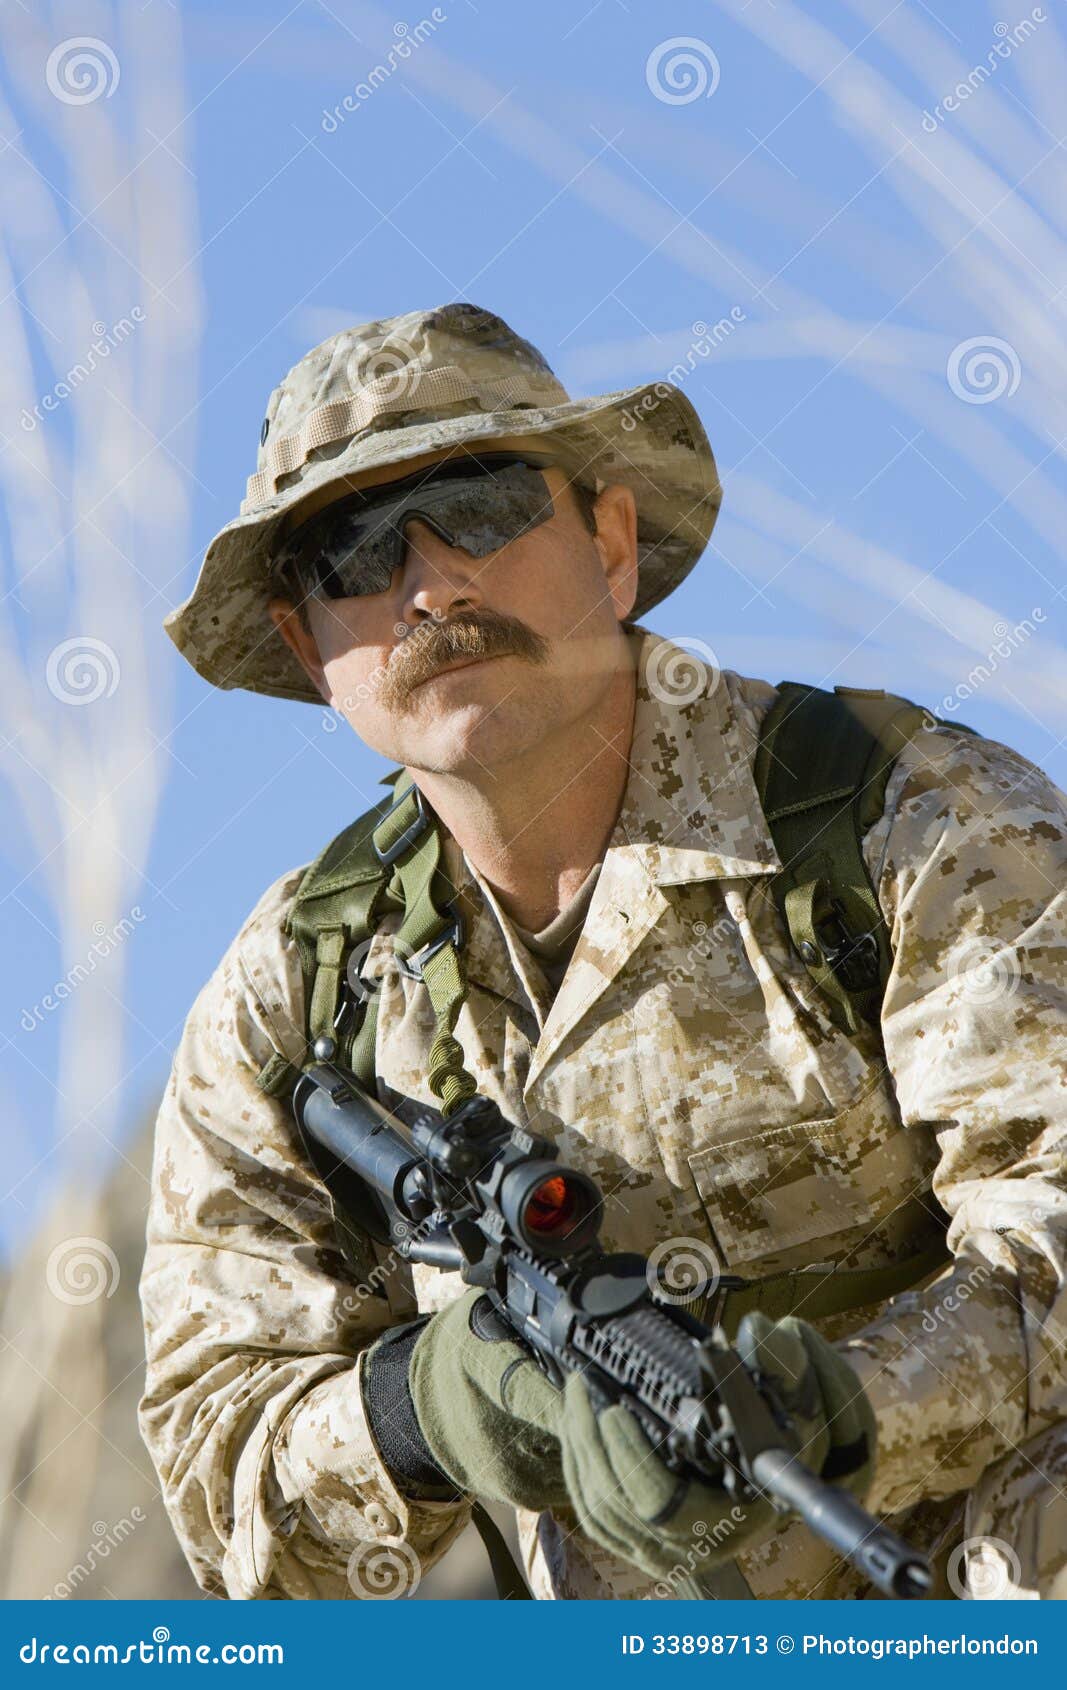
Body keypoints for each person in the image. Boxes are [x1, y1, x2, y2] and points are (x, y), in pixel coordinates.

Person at [138, 301, 1067, 1601]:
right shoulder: (294, 1006)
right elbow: (218, 1474)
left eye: (480, 505)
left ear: (610, 541)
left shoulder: (907, 821)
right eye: (355, 551)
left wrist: (835, 1406)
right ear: (310, 644)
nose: (432, 585)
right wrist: (424, 1411)